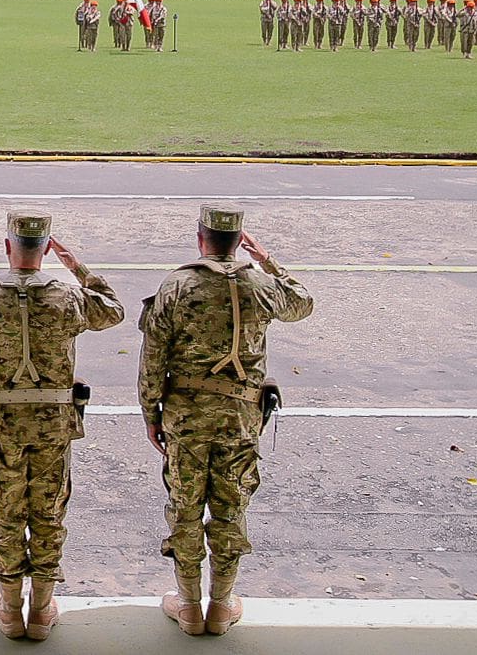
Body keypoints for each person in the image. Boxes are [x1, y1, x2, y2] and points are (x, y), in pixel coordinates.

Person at [141, 206, 313, 637]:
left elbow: (152, 358)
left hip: (186, 416)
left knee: (185, 507)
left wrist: (151, 412)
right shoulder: (261, 284)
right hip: (240, 417)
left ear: (201, 239)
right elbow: (303, 302)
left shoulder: (178, 284)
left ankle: (188, 604)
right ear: (239, 242)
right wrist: (267, 258)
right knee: (230, 507)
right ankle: (220, 606)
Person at [0, 214, 123, 641]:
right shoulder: (68, 296)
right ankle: (42, 609)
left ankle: (11, 611)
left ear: (8, 246)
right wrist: (77, 267)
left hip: (3, 426)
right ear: (46, 249)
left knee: (7, 514)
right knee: (48, 513)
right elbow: (113, 310)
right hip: (52, 427)